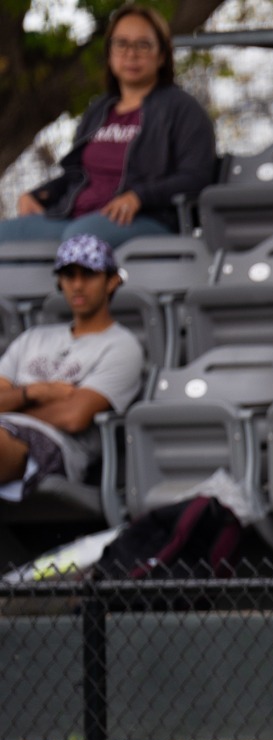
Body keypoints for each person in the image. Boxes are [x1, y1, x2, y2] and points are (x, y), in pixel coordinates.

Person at [3, 4, 217, 249]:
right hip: (75, 216)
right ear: (110, 53)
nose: (131, 54)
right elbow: (78, 175)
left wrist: (139, 196)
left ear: (161, 55)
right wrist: (39, 194)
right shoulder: (99, 110)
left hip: (145, 219)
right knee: (5, 235)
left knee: (79, 238)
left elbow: (196, 177)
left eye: (143, 44)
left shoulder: (183, 109)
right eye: (122, 44)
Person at [0, 235, 146, 503]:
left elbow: (73, 417)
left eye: (88, 275)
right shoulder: (33, 337)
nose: (77, 285)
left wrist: (11, 403)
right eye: (69, 275)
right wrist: (34, 392)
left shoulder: (122, 346)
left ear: (112, 281)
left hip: (53, 446)